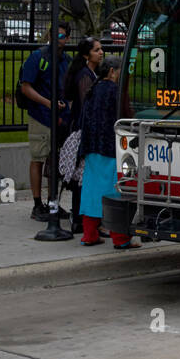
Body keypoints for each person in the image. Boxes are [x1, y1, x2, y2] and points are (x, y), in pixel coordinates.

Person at [78, 56, 133, 248]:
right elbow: (126, 117)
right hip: (111, 147)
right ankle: (120, 239)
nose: (121, 75)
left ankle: (89, 235)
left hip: (91, 146)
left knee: (92, 191)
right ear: (112, 72)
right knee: (114, 191)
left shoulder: (93, 89)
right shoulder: (116, 91)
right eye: (119, 71)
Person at [19, 22, 72, 222]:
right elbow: (26, 87)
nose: (57, 39)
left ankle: (53, 203)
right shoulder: (38, 57)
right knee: (38, 158)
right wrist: (48, 103)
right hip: (40, 116)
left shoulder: (66, 60)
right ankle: (37, 204)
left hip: (59, 117)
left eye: (61, 36)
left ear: (67, 39)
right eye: (54, 35)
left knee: (54, 161)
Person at [61, 37, 103, 234]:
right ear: (87, 55)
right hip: (83, 131)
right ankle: (79, 217)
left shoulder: (88, 73)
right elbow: (88, 105)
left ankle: (79, 216)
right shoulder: (85, 76)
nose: (101, 52)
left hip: (80, 129)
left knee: (81, 177)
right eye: (97, 50)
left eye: (101, 49)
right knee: (82, 177)